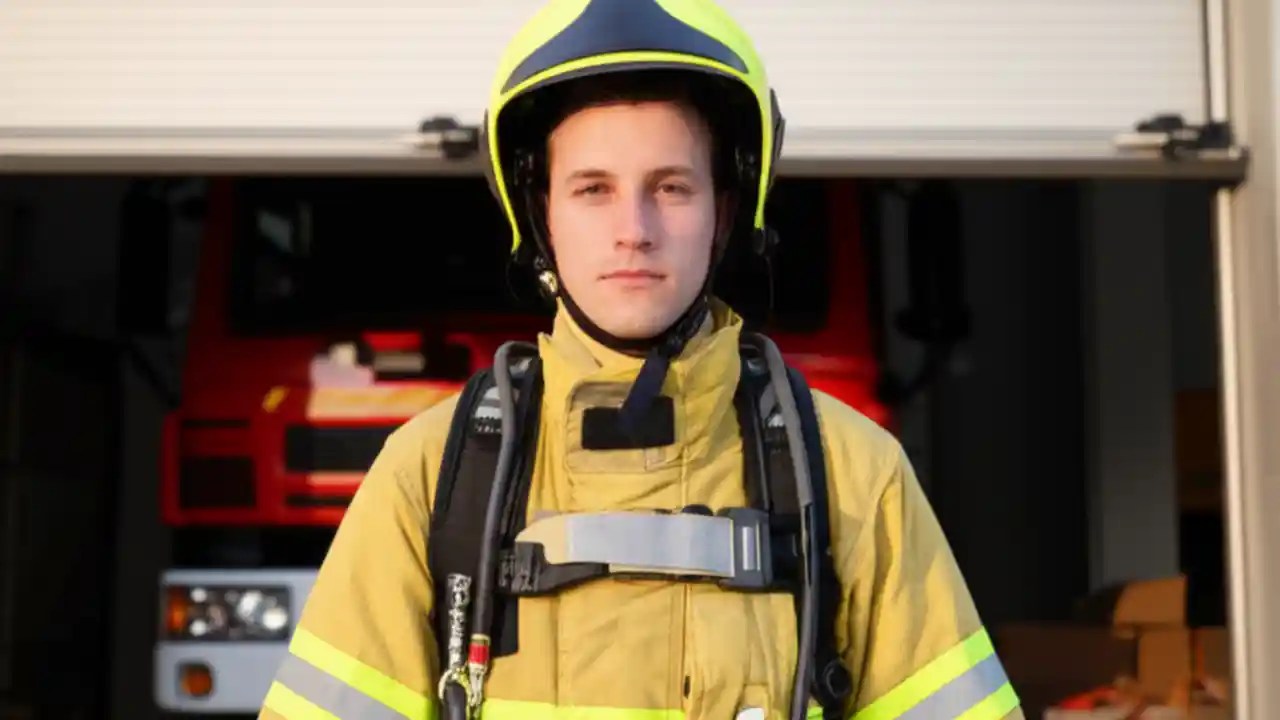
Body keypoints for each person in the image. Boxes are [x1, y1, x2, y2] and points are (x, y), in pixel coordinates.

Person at [258, 1, 1024, 719]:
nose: (634, 229)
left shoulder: (856, 475)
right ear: (542, 214)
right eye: (593, 189)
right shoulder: (431, 477)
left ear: (726, 212)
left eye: (671, 187)